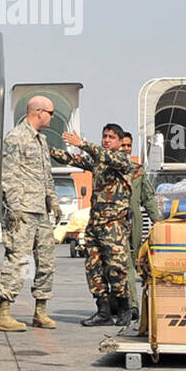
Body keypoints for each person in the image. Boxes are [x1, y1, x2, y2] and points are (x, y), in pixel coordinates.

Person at [52, 123, 134, 326]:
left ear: (120, 142)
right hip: (95, 225)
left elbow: (106, 157)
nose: (106, 140)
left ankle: (124, 309)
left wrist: (83, 144)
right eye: (104, 136)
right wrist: (47, 148)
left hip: (113, 225)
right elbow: (73, 159)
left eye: (111, 137)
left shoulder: (122, 159)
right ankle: (103, 311)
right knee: (94, 269)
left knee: (116, 268)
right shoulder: (98, 161)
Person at [0, 95, 60, 332]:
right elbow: (9, 176)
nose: (52, 118)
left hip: (40, 210)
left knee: (47, 262)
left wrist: (53, 201)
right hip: (23, 210)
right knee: (19, 259)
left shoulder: (41, 140)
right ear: (39, 112)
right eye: (51, 113)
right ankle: (4, 312)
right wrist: (15, 207)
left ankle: (40, 311)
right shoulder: (16, 137)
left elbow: (46, 175)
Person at [120, 131, 160, 333]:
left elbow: (149, 198)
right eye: (123, 145)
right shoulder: (110, 168)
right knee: (124, 264)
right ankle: (132, 306)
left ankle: (146, 304)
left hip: (134, 221)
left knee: (138, 263)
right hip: (115, 222)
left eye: (129, 146)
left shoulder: (138, 171)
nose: (126, 149)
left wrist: (159, 223)